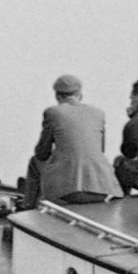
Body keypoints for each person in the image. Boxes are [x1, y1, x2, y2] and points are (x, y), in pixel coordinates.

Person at [23, 74, 114, 208]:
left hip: (69, 190)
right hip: (101, 188)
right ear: (80, 94)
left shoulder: (53, 112)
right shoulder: (98, 113)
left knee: (34, 162)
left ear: (57, 96)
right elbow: (100, 150)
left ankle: (27, 208)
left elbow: (42, 153)